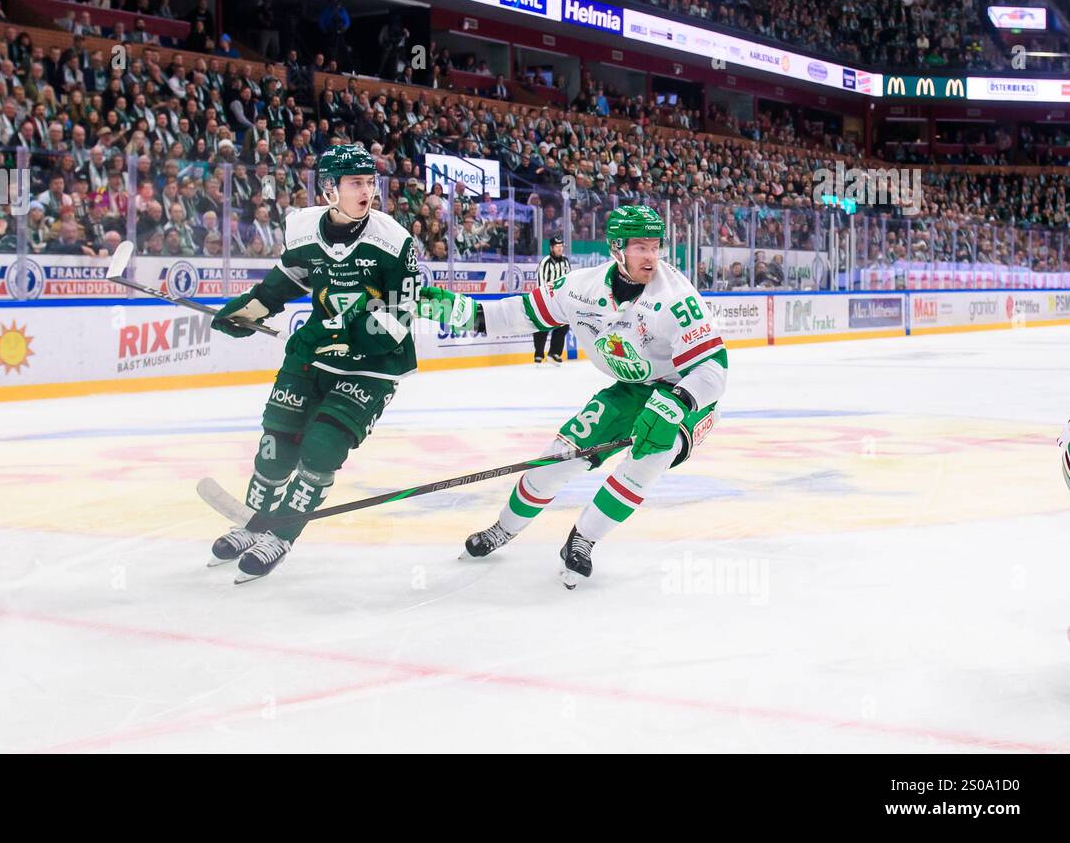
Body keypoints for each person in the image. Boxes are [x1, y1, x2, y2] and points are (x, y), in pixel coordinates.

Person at [417, 204, 727, 588]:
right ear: (617, 248)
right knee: (555, 460)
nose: (651, 256)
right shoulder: (580, 287)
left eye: (655, 247)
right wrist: (460, 312)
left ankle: (583, 540)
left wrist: (677, 403)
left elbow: (714, 369)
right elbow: (519, 313)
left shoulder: (675, 297)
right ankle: (503, 529)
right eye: (640, 247)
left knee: (651, 454)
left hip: (685, 391)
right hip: (630, 390)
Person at [206, 144, 421, 582]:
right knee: (275, 446)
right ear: (329, 190)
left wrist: (347, 335)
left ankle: (281, 534)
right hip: (314, 352)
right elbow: (286, 280)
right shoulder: (302, 228)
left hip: (371, 363)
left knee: (321, 447)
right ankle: (253, 521)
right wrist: (250, 310)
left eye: (370, 182)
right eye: (356, 183)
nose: (368, 191)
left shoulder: (394, 240)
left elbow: (401, 316)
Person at [534, 236, 571, 364]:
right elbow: (540, 281)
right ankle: (538, 354)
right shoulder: (545, 262)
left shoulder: (565, 262)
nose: (560, 248)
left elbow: (568, 279)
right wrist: (546, 299)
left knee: (564, 324)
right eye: (557, 246)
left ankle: (554, 353)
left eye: (561, 246)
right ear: (551, 248)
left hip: (561, 300)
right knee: (542, 325)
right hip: (546, 299)